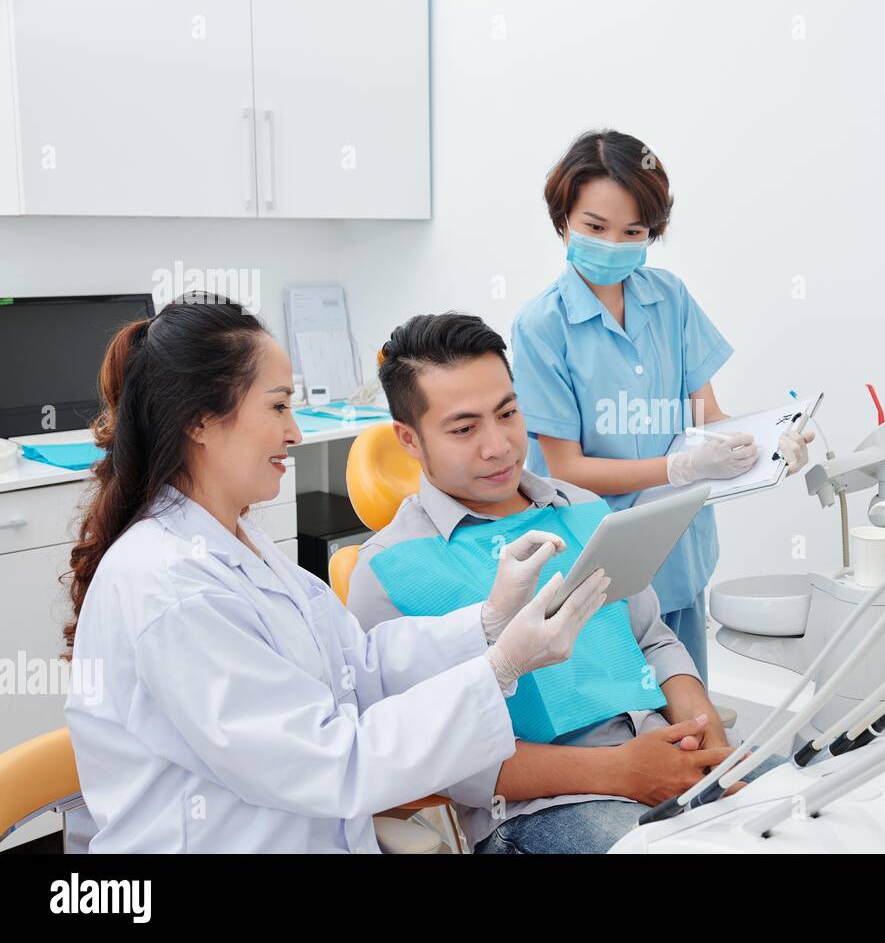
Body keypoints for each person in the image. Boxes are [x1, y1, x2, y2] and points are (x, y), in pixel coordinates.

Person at [61, 293, 608, 853]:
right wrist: (501, 666)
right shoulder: (169, 588)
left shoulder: (241, 545)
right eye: (277, 408)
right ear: (200, 421)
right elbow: (333, 763)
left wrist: (488, 623)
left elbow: (357, 667)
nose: (294, 433)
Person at [347, 312, 782, 854]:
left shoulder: (580, 508)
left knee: (830, 809)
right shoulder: (388, 570)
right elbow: (427, 751)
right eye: (464, 429)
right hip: (546, 809)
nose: (499, 445)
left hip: (664, 753)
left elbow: (651, 638)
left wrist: (708, 735)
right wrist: (622, 773)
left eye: (507, 413)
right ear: (409, 439)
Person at [510, 129, 814, 684]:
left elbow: (708, 420)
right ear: (563, 221)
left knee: (688, 707)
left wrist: (773, 443)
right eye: (595, 227)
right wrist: (678, 468)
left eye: (634, 231)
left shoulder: (668, 297)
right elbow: (567, 470)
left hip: (680, 548)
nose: (613, 244)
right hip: (599, 560)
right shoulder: (541, 327)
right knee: (623, 723)